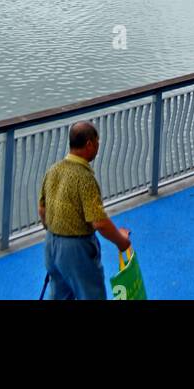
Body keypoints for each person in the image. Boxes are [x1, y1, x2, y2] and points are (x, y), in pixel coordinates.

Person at [38, 119, 132, 300]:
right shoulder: (85, 178)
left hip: (51, 244)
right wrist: (121, 241)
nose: (98, 146)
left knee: (60, 295)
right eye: (97, 142)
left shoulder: (53, 170)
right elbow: (99, 222)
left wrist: (56, 231)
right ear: (89, 144)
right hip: (76, 250)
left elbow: (42, 209)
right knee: (91, 295)